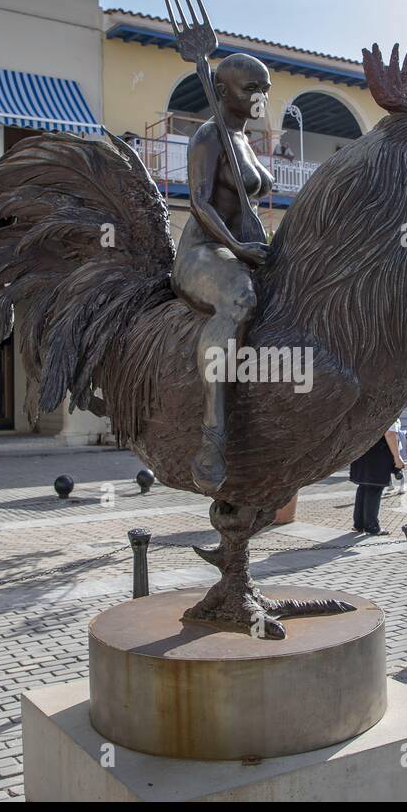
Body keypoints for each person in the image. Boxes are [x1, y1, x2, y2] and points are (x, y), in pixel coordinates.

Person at [173, 52, 275, 494]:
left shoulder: (245, 141)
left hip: (242, 248)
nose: (259, 98)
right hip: (203, 251)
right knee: (240, 299)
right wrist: (235, 247)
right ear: (221, 92)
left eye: (264, 90)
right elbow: (200, 202)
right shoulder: (208, 136)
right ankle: (212, 437)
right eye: (250, 89)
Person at [350, 419, 405, 536]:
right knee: (374, 488)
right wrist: (397, 457)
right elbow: (390, 434)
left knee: (363, 487)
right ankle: (372, 526)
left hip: (363, 452)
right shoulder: (389, 412)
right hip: (378, 455)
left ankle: (359, 524)